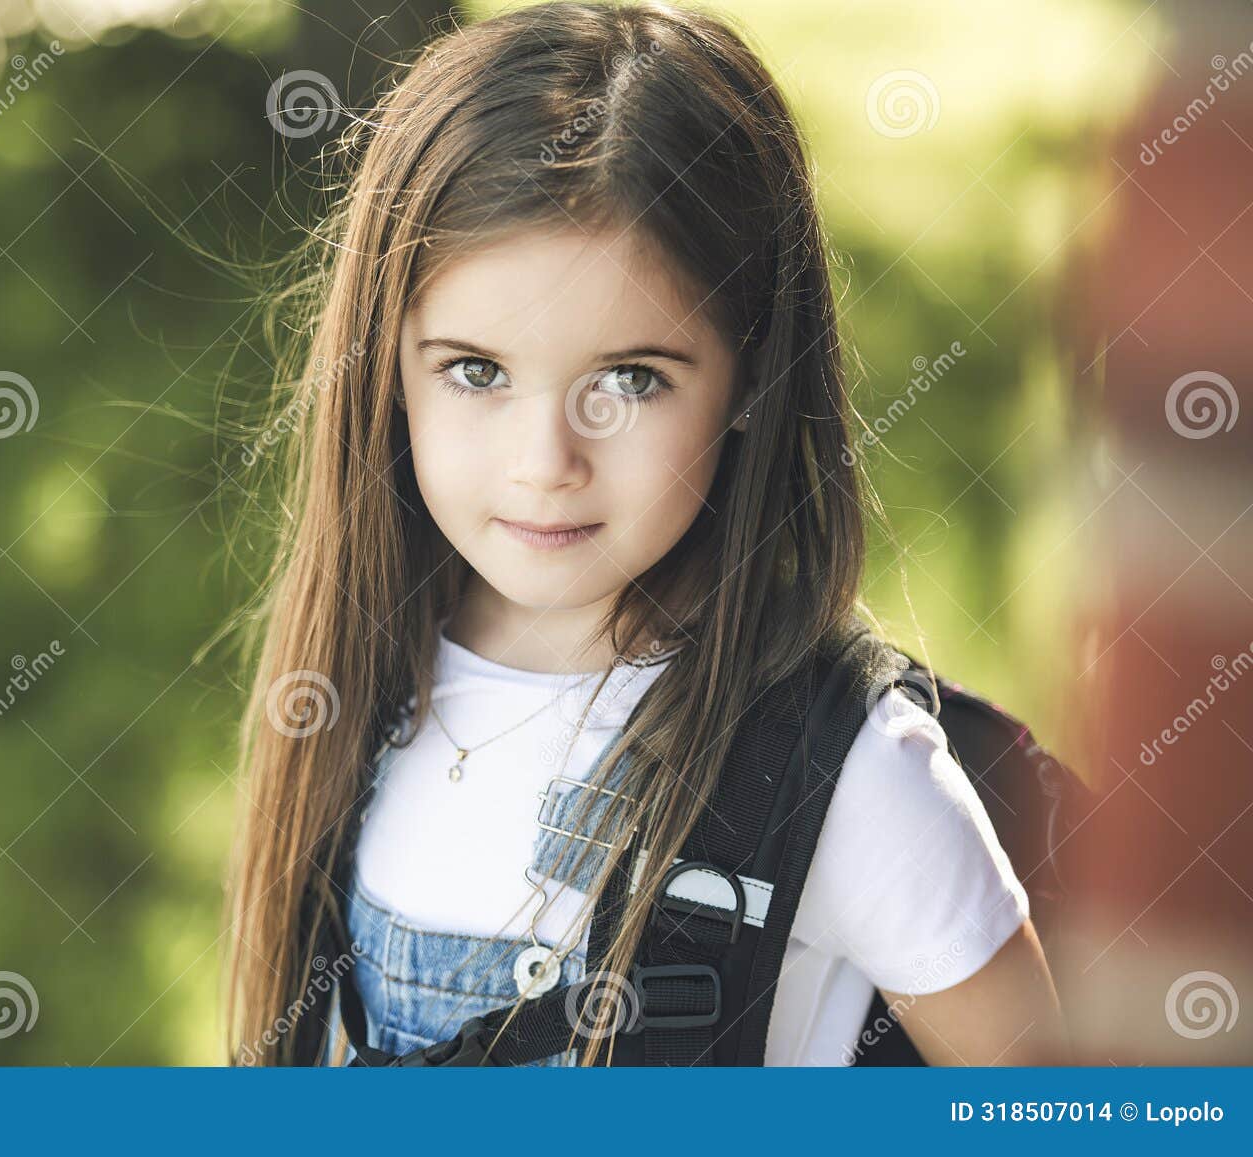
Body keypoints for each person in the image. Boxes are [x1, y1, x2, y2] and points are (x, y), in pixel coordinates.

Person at [224, 0, 1069, 1067]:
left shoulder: (836, 769)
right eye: (475, 370)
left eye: (629, 379)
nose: (545, 461)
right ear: (387, 365)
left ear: (752, 372)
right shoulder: (362, 681)